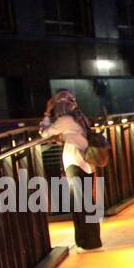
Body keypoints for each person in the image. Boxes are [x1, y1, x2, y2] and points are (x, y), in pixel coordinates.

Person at [39, 89, 101, 251]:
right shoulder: (80, 117)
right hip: (87, 163)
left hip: (74, 163)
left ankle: (85, 241)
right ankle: (92, 240)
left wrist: (47, 112)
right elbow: (74, 136)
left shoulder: (66, 119)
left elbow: (44, 133)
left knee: (78, 204)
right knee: (88, 203)